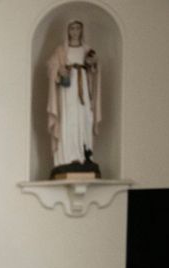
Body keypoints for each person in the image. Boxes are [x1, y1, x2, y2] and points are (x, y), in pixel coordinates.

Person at [46, 20, 102, 177]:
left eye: (78, 28)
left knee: (84, 118)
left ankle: (84, 154)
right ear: (68, 31)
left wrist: (93, 64)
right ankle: (67, 157)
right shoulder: (61, 50)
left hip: (83, 89)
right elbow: (51, 67)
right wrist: (59, 70)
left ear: (81, 30)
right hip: (67, 90)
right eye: (72, 28)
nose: (75, 31)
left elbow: (95, 70)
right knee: (68, 119)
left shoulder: (87, 49)